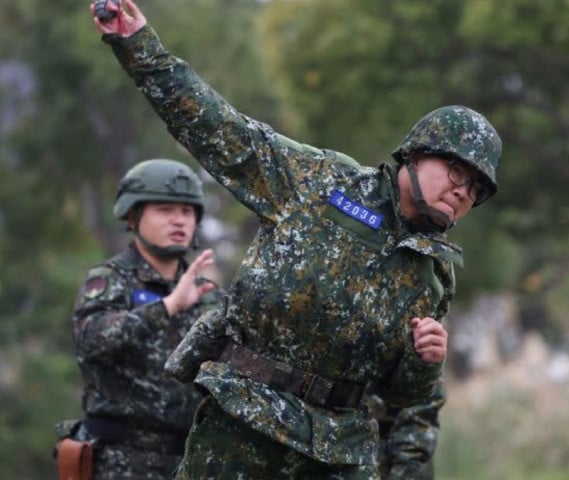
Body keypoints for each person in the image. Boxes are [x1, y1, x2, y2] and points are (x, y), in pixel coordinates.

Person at [91, 1, 502, 478]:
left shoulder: (434, 273)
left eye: (475, 189)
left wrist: (424, 362)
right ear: (417, 153)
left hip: (338, 452)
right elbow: (215, 127)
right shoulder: (320, 181)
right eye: (456, 170)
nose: (461, 190)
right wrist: (139, 46)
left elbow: (402, 398)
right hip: (244, 422)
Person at [54, 158, 224, 480]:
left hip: (192, 461)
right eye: (165, 210)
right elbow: (91, 340)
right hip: (122, 461)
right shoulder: (109, 279)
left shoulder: (209, 294)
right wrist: (168, 306)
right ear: (133, 216)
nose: (179, 221)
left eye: (187, 211)